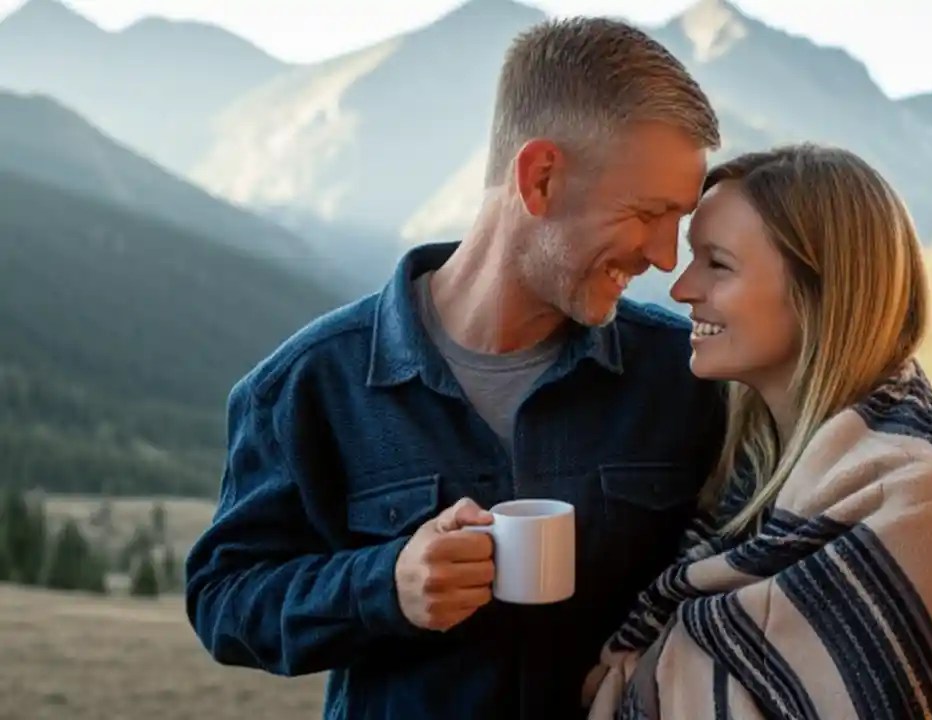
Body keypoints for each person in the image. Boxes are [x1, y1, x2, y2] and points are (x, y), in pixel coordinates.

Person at [185, 17, 729, 720]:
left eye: (679, 220)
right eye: (649, 213)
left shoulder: (683, 379)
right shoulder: (307, 386)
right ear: (540, 178)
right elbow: (225, 599)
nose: (665, 257)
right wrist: (385, 585)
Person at [583, 144, 932, 718]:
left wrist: (644, 673)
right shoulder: (756, 457)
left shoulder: (917, 496)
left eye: (718, 264)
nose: (682, 288)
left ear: (821, 292)